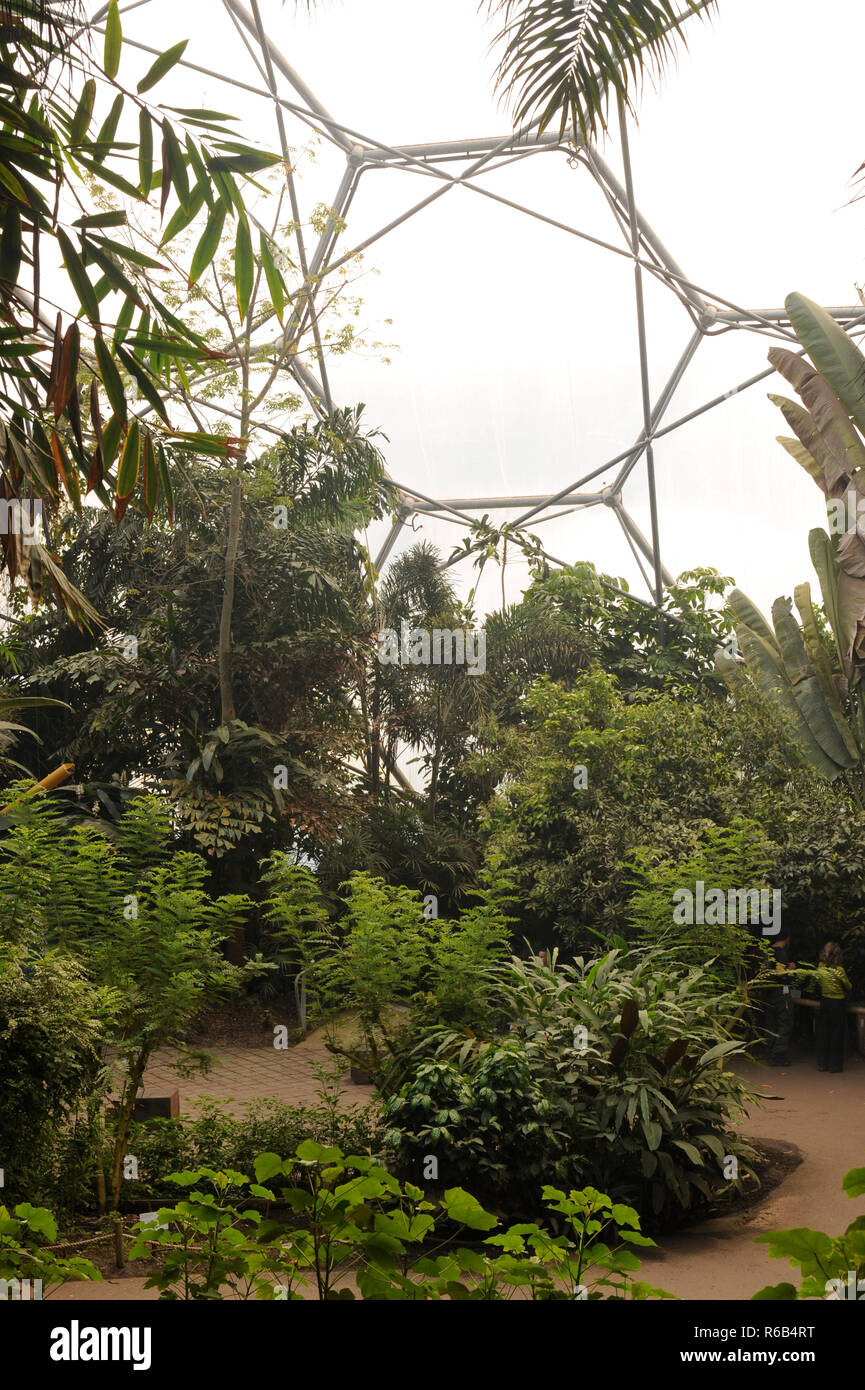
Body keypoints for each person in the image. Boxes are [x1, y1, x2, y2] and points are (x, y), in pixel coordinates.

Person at [815, 941, 852, 1074]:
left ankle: (822, 1063)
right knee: (837, 1034)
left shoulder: (820, 967)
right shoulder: (839, 969)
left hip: (824, 1001)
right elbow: (848, 986)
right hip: (837, 1003)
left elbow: (818, 981)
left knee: (823, 1032)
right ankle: (834, 1066)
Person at [764, 933, 795, 1067]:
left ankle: (770, 1052)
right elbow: (780, 972)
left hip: (768, 991)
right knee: (785, 1022)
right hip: (780, 992)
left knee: (771, 1023)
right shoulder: (780, 953)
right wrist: (791, 969)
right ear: (787, 938)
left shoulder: (766, 951)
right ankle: (779, 1055)